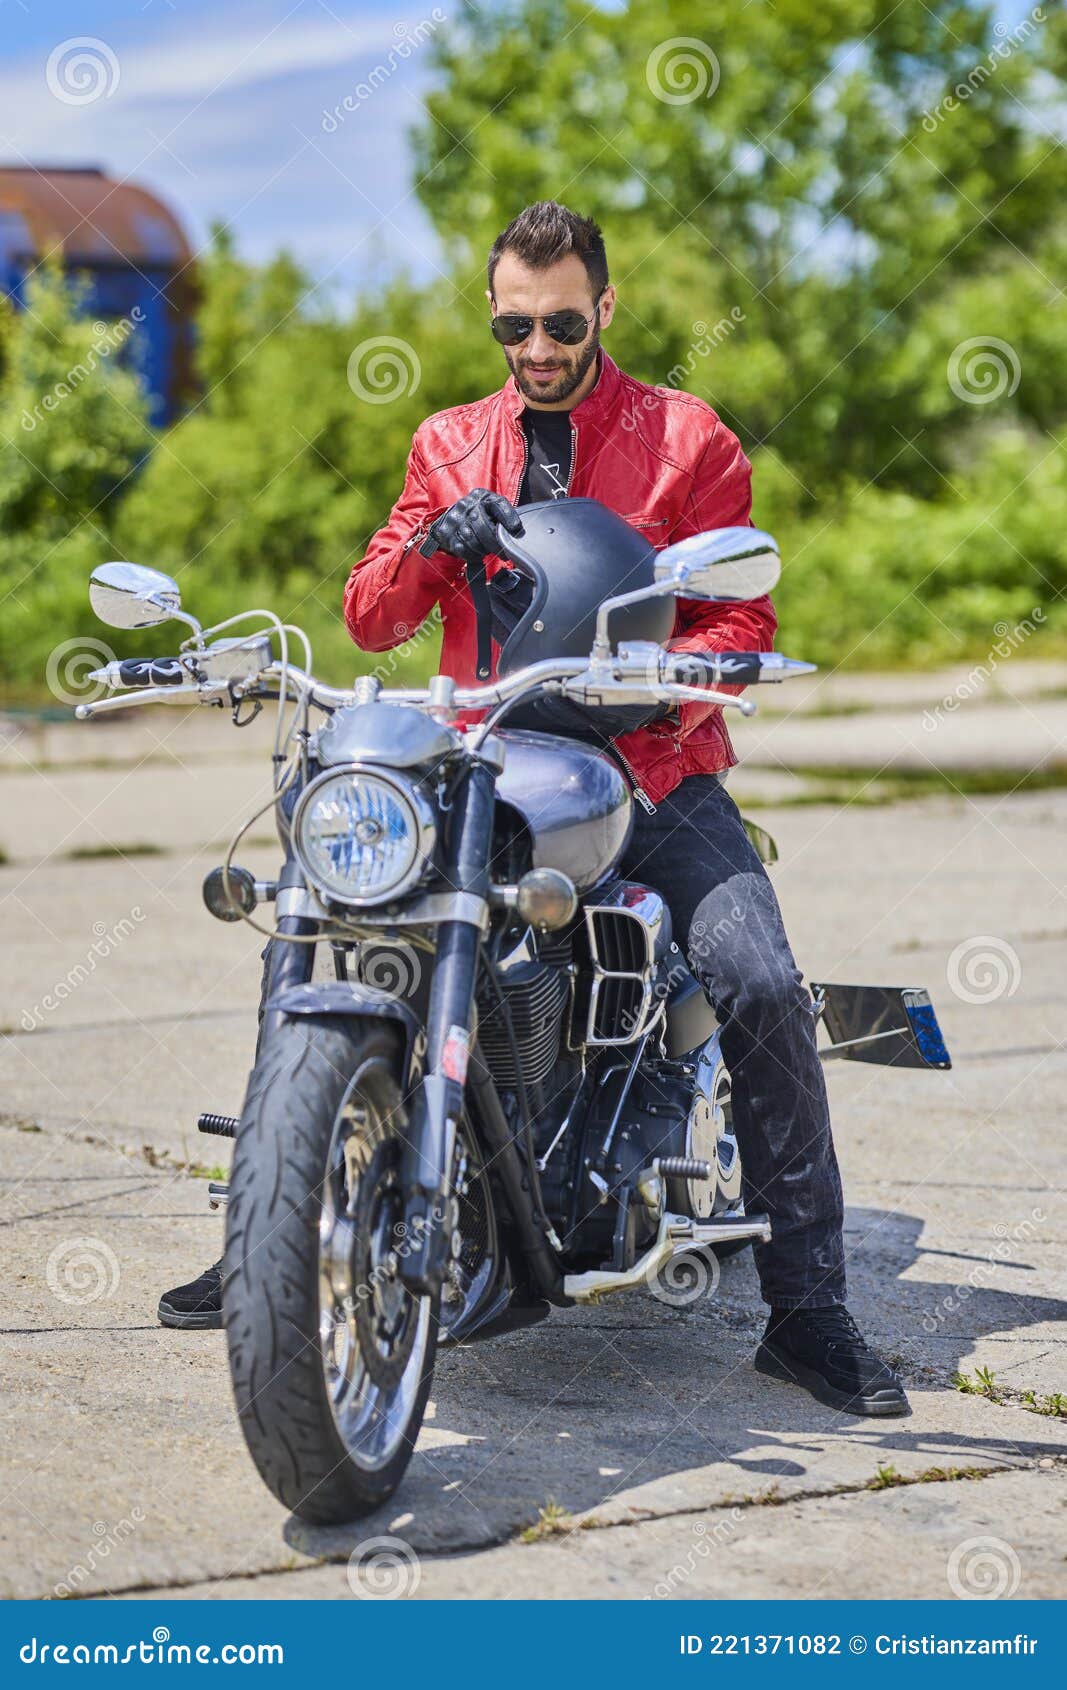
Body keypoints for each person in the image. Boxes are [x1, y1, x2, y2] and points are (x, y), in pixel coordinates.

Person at [159, 201, 906, 1419]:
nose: (538, 343)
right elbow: (368, 616)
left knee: (760, 981)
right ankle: (274, 1233)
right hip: (483, 754)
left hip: (652, 763)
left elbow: (740, 616)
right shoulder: (449, 441)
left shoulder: (685, 439)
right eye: (514, 321)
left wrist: (670, 675)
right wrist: (429, 551)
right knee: (324, 913)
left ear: (603, 308)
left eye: (562, 320)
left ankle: (808, 1307)